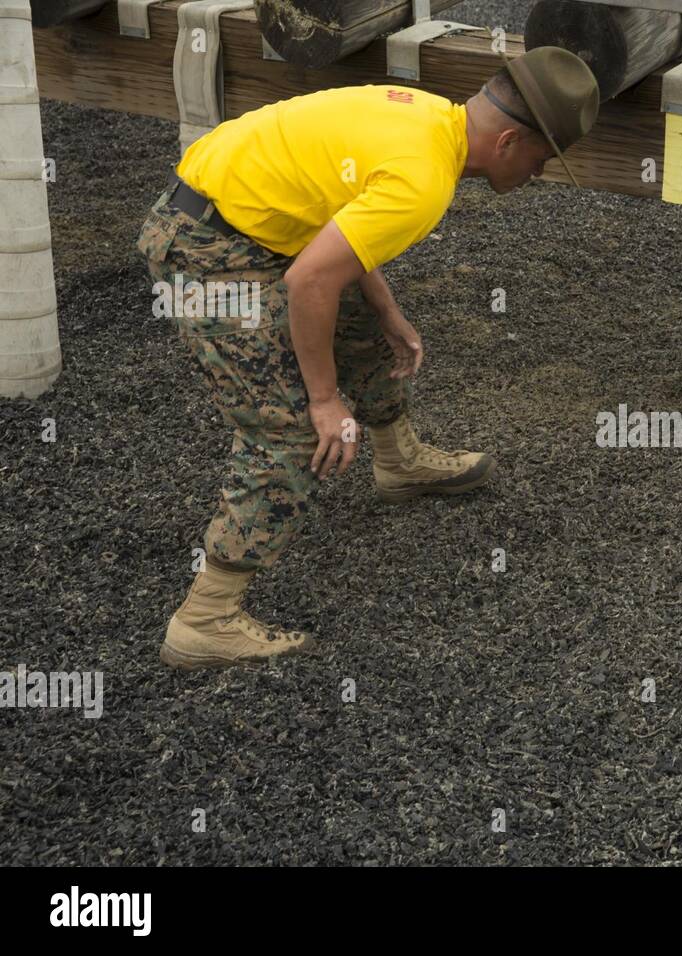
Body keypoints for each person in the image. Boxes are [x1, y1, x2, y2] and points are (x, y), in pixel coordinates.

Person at [136, 48, 599, 669]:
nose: (538, 173)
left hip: (248, 219)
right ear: (510, 139)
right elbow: (309, 283)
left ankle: (398, 461)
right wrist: (326, 401)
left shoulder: (431, 115)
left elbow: (340, 220)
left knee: (363, 319)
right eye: (542, 160)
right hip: (205, 252)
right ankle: (206, 618)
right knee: (291, 430)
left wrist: (385, 309)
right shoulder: (424, 181)